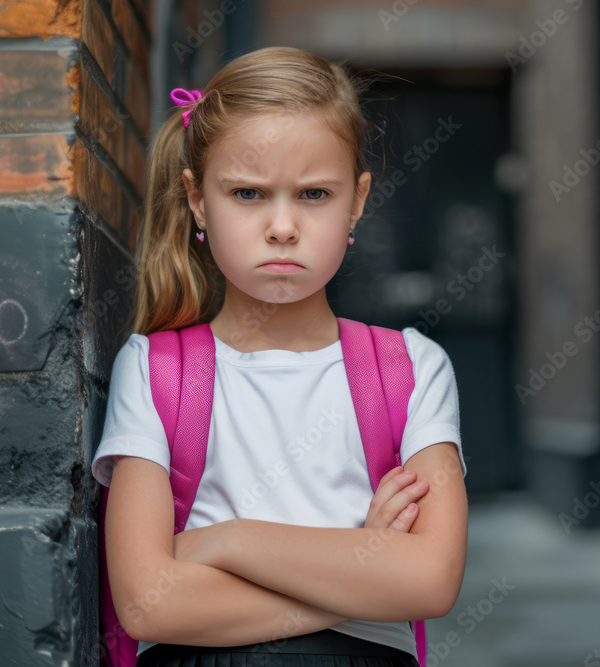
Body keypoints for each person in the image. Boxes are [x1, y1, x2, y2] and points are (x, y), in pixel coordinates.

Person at [91, 45, 468, 667]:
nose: (283, 227)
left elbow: (431, 581)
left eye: (315, 194)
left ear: (357, 201)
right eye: (248, 193)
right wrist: (362, 570)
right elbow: (148, 604)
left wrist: (226, 541)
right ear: (196, 200)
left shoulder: (410, 368)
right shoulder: (155, 370)